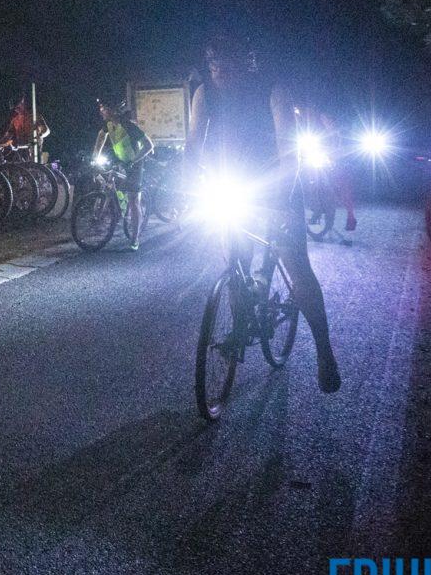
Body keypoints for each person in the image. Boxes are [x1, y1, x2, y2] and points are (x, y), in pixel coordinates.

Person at [186, 34, 341, 394]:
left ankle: (324, 352)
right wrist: (185, 184)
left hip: (276, 191)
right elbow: (193, 146)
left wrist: (284, 198)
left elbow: (289, 152)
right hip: (233, 186)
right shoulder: (203, 94)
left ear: (245, 62)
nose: (217, 69)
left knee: (297, 268)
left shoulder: (273, 91)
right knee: (235, 263)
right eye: (211, 62)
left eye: (224, 61)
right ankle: (240, 330)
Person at [94, 98, 154, 246]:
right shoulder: (109, 124)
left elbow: (149, 145)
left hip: (135, 163)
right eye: (101, 108)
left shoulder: (128, 125)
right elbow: (101, 136)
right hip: (121, 161)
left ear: (113, 110)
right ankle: (119, 210)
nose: (101, 111)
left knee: (133, 200)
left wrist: (134, 161)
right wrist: (95, 156)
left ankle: (135, 238)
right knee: (108, 184)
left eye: (104, 108)